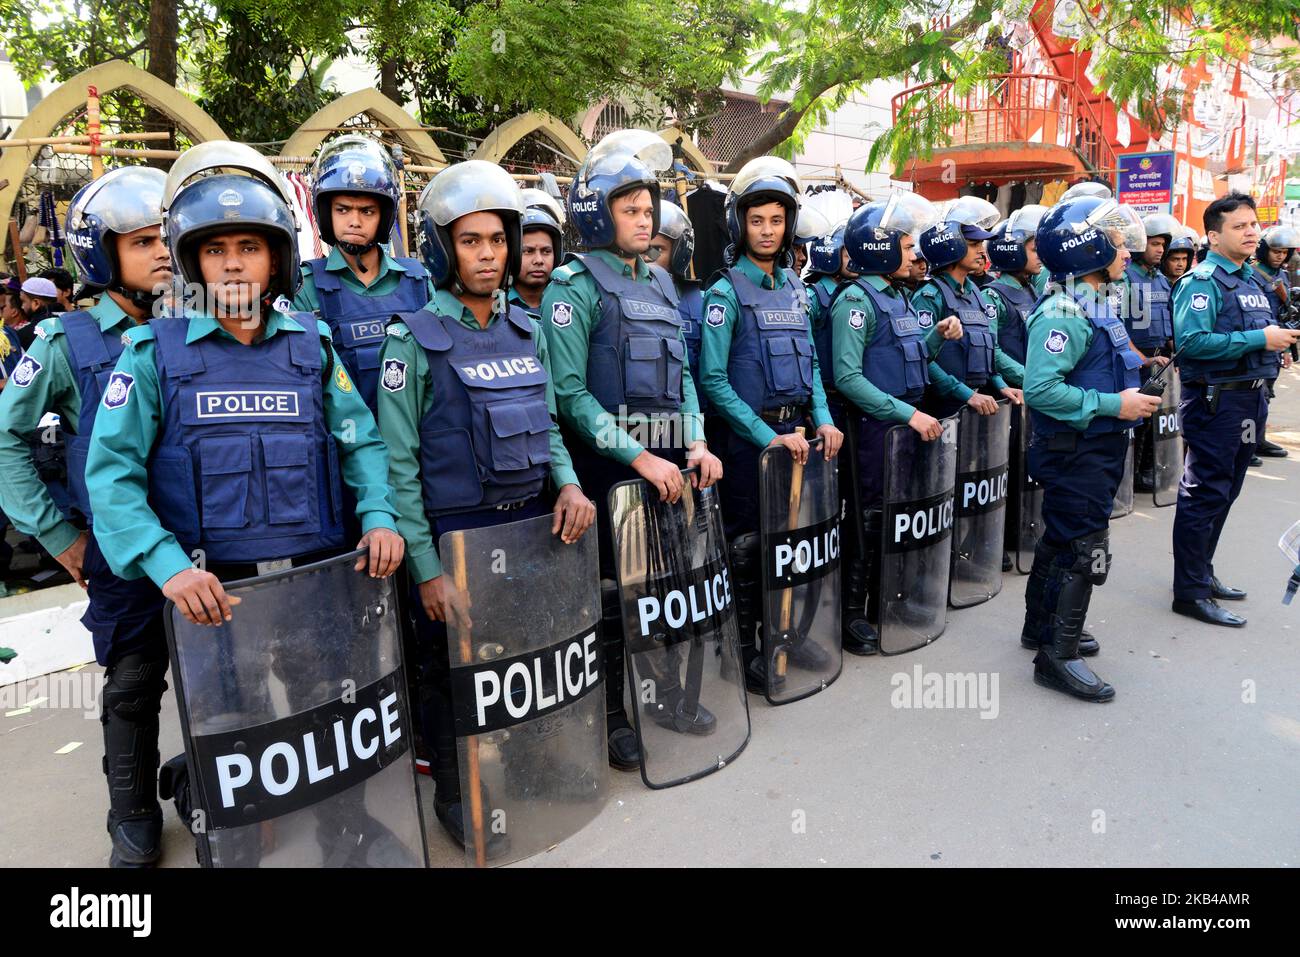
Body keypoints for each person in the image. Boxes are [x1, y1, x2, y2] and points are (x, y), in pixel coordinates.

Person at [85, 143, 406, 860]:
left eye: (251, 247)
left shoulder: (312, 347)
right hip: (212, 598)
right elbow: (111, 479)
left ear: (279, 258)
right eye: (216, 249)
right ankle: (230, 838)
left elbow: (360, 444)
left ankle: (344, 831)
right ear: (191, 260)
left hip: (310, 580)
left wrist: (380, 516)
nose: (233, 263)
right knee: (233, 725)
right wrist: (168, 567)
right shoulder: (150, 355)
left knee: (328, 709)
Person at [376, 159, 594, 849]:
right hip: (454, 541)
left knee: (525, 659)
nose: (489, 255)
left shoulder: (528, 329)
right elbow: (397, 464)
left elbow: (551, 424)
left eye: (497, 240)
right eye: (471, 241)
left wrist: (568, 483)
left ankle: (531, 766)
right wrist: (424, 567)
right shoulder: (410, 339)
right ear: (444, 249)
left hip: (529, 531)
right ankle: (457, 793)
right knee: (452, 678)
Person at [0, 168, 174, 867]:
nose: (163, 251)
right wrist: (54, 531)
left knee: (237, 669)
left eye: (166, 237)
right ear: (103, 255)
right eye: (142, 242)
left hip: (209, 539)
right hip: (118, 549)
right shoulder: (62, 343)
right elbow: (6, 435)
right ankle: (131, 808)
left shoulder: (199, 324)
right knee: (133, 681)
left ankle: (226, 781)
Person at [542, 129, 722, 768]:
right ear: (598, 212)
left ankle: (670, 697)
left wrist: (696, 441)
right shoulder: (573, 286)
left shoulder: (665, 286)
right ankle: (614, 716)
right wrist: (640, 457)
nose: (644, 221)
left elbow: (686, 380)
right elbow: (569, 397)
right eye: (630, 209)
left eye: (649, 210)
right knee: (613, 600)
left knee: (668, 588)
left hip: (671, 467)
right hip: (606, 471)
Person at [699, 156, 842, 691]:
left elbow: (812, 369)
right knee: (748, 551)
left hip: (798, 441)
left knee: (792, 546)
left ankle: (787, 635)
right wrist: (767, 441)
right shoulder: (724, 293)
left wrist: (822, 421)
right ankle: (743, 650)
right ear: (742, 224)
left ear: (788, 226)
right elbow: (713, 382)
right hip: (749, 446)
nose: (767, 230)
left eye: (776, 221)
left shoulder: (796, 290)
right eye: (757, 220)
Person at [1021, 196, 1160, 701]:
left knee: (1061, 541)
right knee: (1084, 550)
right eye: (1116, 241)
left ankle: (1041, 628)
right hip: (1073, 450)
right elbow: (1040, 390)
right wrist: (1114, 405)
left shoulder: (1093, 302)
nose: (1126, 250)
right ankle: (1057, 656)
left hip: (1091, 448)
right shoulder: (1064, 311)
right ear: (1088, 249)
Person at [831, 192, 961, 655]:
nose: (915, 255)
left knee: (897, 518)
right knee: (868, 520)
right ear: (880, 248)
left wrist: (936, 337)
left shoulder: (897, 297)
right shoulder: (855, 301)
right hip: (872, 430)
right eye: (907, 248)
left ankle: (889, 601)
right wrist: (909, 414)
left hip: (903, 426)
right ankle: (853, 615)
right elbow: (848, 378)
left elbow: (908, 359)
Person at [1170, 193, 1300, 626]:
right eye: (1239, 226)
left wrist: (1275, 344)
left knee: (1225, 492)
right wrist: (1262, 340)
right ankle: (1188, 592)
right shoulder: (1201, 281)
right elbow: (1190, 344)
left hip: (1250, 398)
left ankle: (1202, 573)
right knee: (1204, 492)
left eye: (1252, 225)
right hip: (1216, 401)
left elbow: (1252, 332)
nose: (1250, 232)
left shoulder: (1249, 280)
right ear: (1213, 235)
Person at [292, 134, 432, 414]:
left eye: (367, 211)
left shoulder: (418, 281)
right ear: (326, 213)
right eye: (343, 209)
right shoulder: (305, 288)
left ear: (384, 216)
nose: (354, 221)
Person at [914, 196, 1024, 419]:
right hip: (941, 411)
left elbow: (985, 350)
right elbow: (922, 359)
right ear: (950, 246)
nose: (982, 251)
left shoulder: (974, 291)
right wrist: (966, 395)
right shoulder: (929, 296)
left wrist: (1001, 385)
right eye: (974, 244)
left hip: (975, 405)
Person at [1120, 213, 1178, 491]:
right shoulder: (1126, 278)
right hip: (1136, 358)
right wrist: (1141, 359)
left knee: (1156, 419)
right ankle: (1131, 477)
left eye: (1162, 245)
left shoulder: (1161, 279)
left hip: (1160, 359)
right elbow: (1119, 325)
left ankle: (1146, 470)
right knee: (1138, 421)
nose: (1159, 250)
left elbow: (1167, 319)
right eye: (1153, 243)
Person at [1249, 223, 1299, 460]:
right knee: (1253, 394)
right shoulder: (1252, 273)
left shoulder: (1283, 276)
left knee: (1266, 394)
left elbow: (1284, 313)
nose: (1280, 256)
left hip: (1277, 341)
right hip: (1257, 340)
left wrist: (1288, 348)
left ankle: (1258, 439)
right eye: (1275, 251)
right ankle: (1246, 443)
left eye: (1284, 252)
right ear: (1263, 250)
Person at [804, 223, 856, 429]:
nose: (855, 259)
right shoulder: (812, 297)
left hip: (851, 398)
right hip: (825, 399)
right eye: (847, 255)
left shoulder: (855, 293)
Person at [509, 188, 564, 321]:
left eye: (546, 251)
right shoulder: (496, 305)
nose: (539, 260)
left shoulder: (570, 301)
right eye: (528, 251)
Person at [17, 277, 60, 348]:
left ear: (36, 303)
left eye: (23, 301)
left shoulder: (24, 334)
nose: (22, 306)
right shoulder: (65, 323)